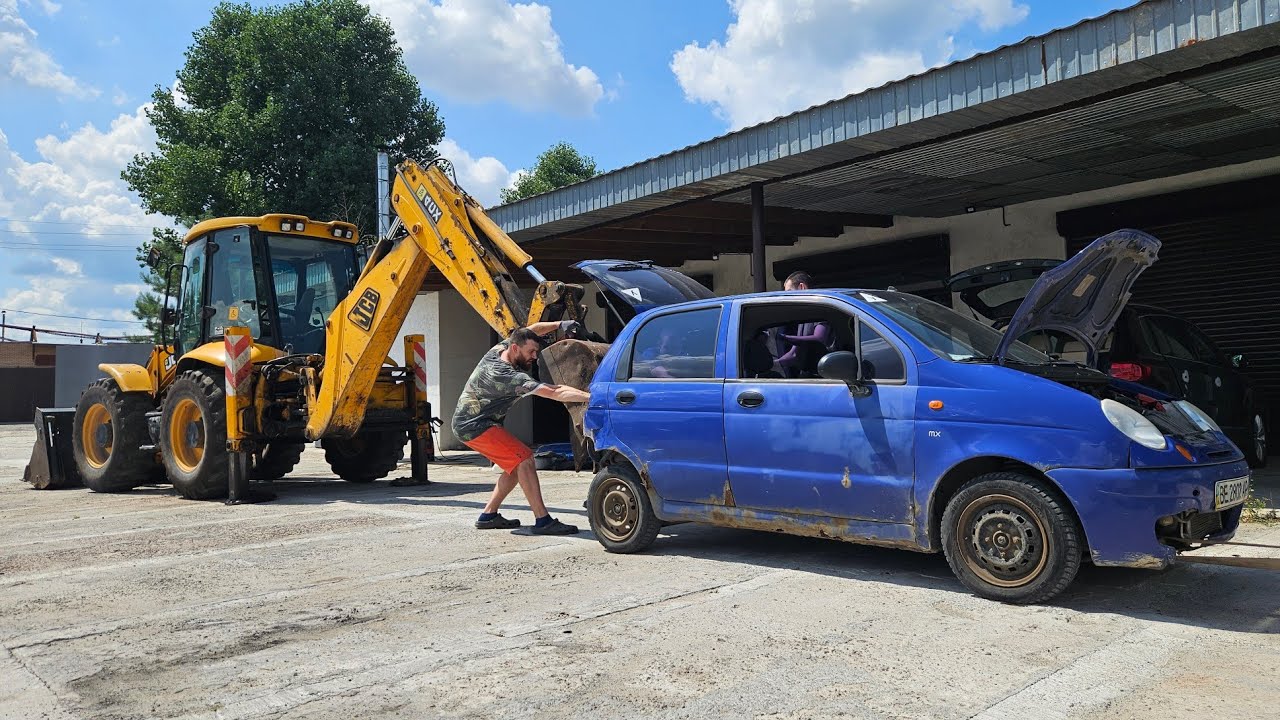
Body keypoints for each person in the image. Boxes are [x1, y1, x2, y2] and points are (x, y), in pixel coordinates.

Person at [452, 321, 591, 535]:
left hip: (478, 422)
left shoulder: (499, 349)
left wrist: (560, 324)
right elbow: (555, 392)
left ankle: (488, 515)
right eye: (531, 352)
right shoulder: (509, 376)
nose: (535, 356)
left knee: (516, 466)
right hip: (474, 426)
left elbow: (532, 329)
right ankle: (542, 520)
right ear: (515, 349)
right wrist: (592, 397)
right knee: (524, 458)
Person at [775, 271, 834, 378]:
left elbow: (819, 338)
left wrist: (786, 337)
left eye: (789, 292)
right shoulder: (804, 316)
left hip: (826, 376)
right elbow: (793, 353)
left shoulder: (819, 308)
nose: (787, 297)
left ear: (802, 287)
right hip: (808, 376)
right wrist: (775, 363)